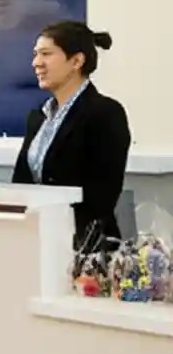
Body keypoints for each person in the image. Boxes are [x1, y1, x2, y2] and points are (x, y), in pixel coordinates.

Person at [13, 21, 130, 242]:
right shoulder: (38, 117)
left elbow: (102, 196)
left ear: (76, 61)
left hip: (83, 245)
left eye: (46, 54)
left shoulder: (105, 113)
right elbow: (20, 184)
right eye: (36, 54)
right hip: (35, 239)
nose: (36, 63)